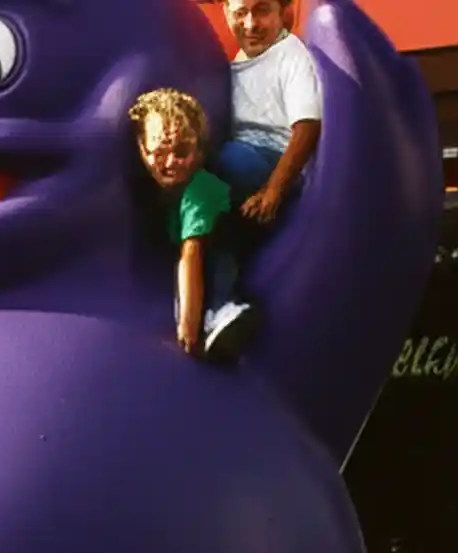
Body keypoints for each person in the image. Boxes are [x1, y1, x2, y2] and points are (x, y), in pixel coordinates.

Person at [129, 88, 259, 361]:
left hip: (231, 238)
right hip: (193, 249)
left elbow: (192, 255)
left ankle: (223, 308)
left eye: (182, 151)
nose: (170, 162)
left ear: (200, 151)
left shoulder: (199, 189)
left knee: (217, 255)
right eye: (159, 151)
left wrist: (188, 327)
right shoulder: (154, 192)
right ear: (142, 148)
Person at [215, 0, 322, 226]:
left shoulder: (289, 53)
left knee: (226, 160)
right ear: (226, 14)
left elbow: (307, 126)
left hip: (275, 163)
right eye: (240, 13)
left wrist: (274, 189)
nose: (251, 24)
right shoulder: (237, 62)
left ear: (283, 13)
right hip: (243, 162)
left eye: (262, 11)